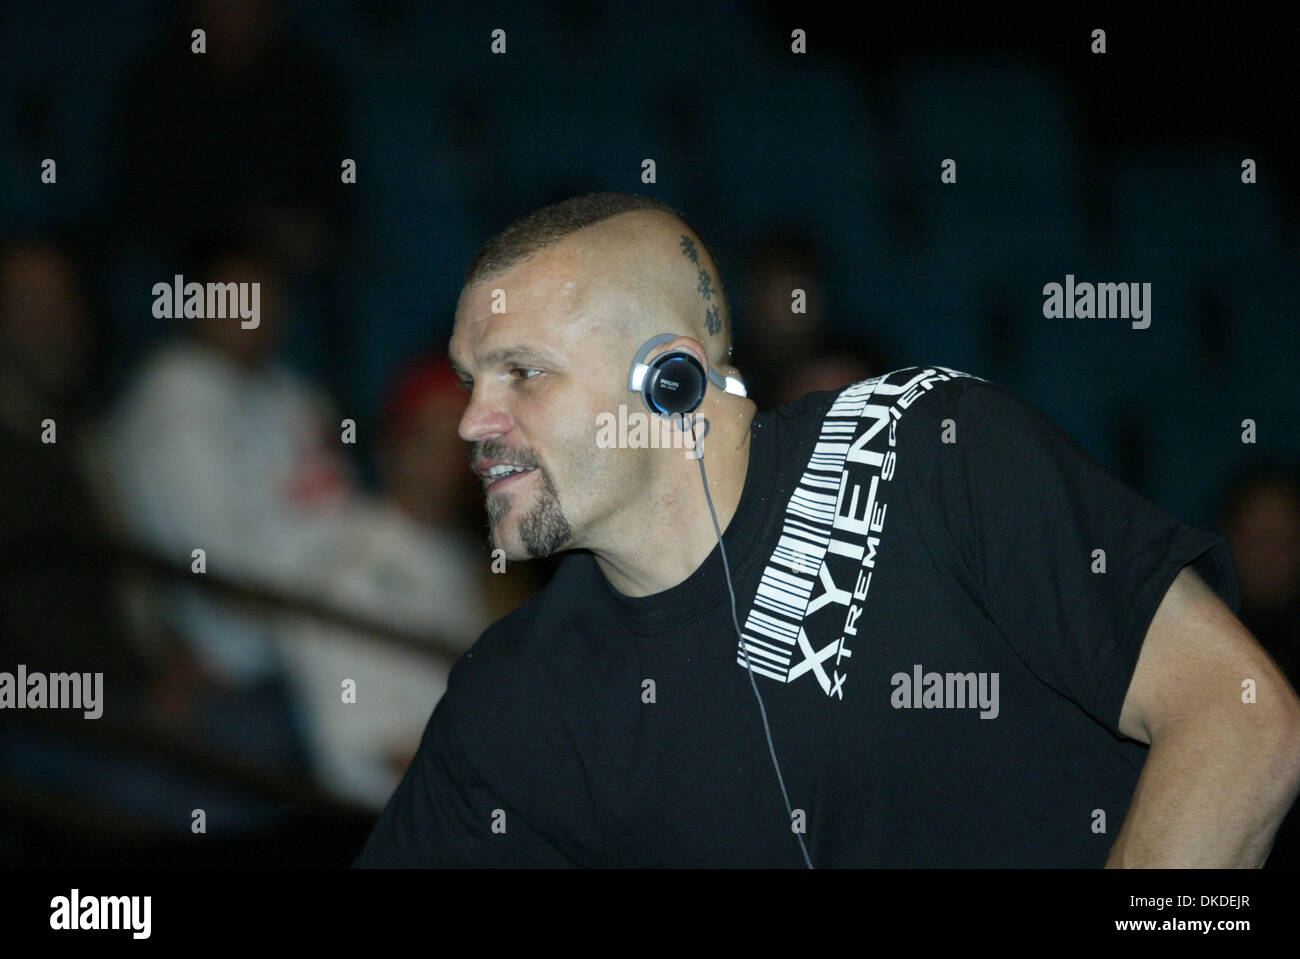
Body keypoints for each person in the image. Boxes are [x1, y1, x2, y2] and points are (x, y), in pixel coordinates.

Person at [354, 192, 1300, 868]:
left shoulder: (931, 447)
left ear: (669, 383)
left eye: (521, 372)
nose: (473, 418)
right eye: (469, 376)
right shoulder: (516, 698)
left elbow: (1245, 724)